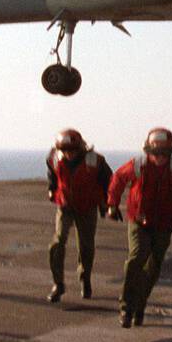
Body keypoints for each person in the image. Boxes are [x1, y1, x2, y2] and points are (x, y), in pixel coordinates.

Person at [106, 127, 172, 328]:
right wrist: (112, 205)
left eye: (163, 154)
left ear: (170, 153)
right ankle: (126, 307)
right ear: (148, 151)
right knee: (136, 257)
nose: (159, 158)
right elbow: (118, 179)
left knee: (154, 265)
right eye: (155, 153)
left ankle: (140, 306)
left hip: (164, 225)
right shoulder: (138, 165)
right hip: (139, 221)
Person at [45, 128, 113, 304]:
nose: (68, 154)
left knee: (86, 245)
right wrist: (52, 190)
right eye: (64, 151)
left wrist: (107, 204)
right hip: (65, 206)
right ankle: (58, 284)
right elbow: (52, 175)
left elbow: (109, 182)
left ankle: (85, 278)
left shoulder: (96, 161)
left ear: (80, 148)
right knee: (58, 242)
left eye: (71, 151)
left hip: (87, 207)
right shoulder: (53, 157)